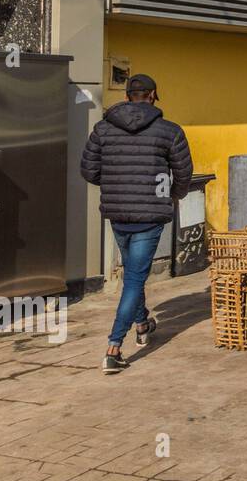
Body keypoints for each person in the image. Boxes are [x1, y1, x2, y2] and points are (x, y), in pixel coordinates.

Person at [80, 74, 192, 374]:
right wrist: (173, 197)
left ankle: (142, 324)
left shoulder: (102, 129)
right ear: (153, 95)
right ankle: (114, 348)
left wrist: (117, 185)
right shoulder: (170, 131)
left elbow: (88, 170)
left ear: (128, 95)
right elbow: (183, 173)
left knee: (134, 272)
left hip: (118, 214)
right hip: (150, 215)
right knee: (133, 278)